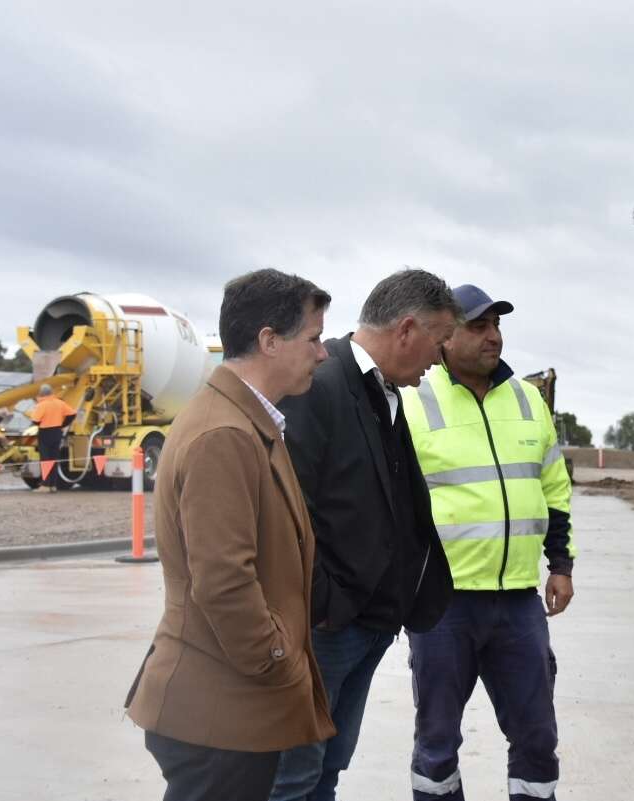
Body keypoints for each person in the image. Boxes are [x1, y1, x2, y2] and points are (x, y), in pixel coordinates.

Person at [125, 268, 335, 801]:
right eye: (313, 339)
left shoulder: (246, 421)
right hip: (219, 715)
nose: (323, 353)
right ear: (269, 341)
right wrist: (276, 658)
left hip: (227, 708)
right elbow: (222, 580)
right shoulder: (226, 433)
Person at [268, 269, 460, 801]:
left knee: (328, 766)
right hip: (330, 628)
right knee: (293, 777)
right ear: (405, 330)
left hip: (369, 625)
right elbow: (287, 509)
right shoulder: (321, 384)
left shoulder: (387, 394)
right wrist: (325, 604)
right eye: (439, 343)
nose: (438, 360)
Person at [401, 284, 575, 801]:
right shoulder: (414, 400)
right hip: (442, 605)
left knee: (537, 738)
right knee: (436, 743)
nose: (492, 337)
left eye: (497, 326)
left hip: (518, 601)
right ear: (447, 334)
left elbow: (554, 489)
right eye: (479, 326)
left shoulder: (527, 399)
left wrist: (560, 564)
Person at [27, 384, 76, 492]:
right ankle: (53, 485)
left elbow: (35, 421)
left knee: (45, 459)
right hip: (57, 432)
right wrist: (63, 424)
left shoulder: (42, 405)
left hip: (45, 433)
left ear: (41, 394)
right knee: (54, 459)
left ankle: (45, 485)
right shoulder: (60, 403)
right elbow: (72, 414)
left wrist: (38, 420)